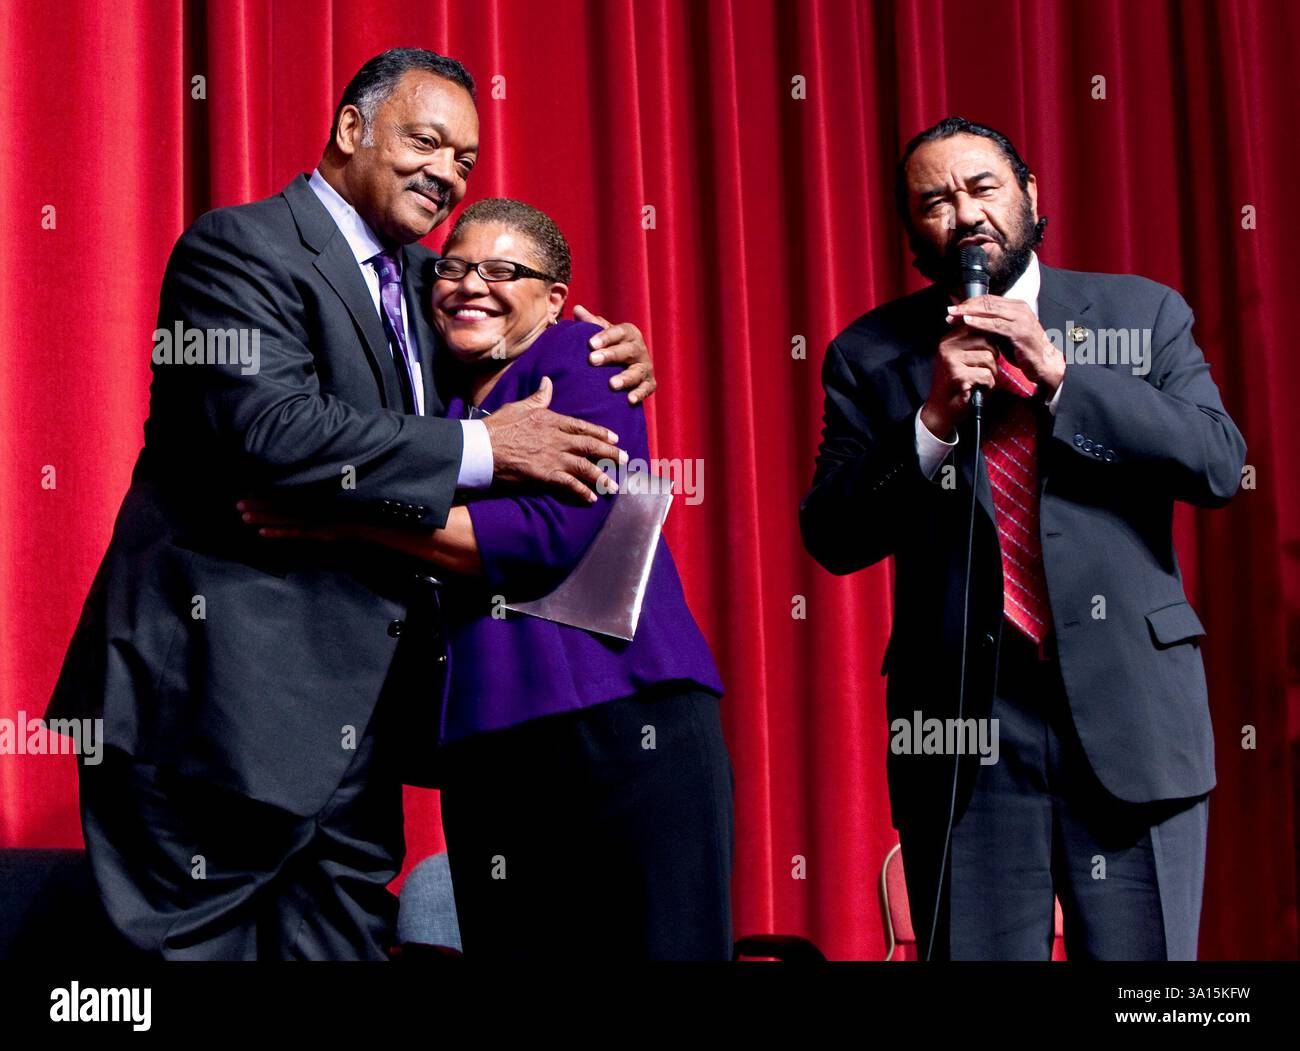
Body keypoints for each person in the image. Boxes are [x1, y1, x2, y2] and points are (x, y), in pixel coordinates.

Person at [45, 48, 658, 960]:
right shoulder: (239, 245)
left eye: (466, 161)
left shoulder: (425, 285)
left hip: (356, 733)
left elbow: (515, 343)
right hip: (214, 708)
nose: (449, 173)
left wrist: (604, 355)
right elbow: (271, 429)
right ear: (349, 129)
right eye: (427, 141)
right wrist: (484, 449)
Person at [799, 116, 1246, 960]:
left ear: (1030, 198)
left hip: (1131, 718)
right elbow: (833, 534)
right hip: (966, 735)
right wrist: (928, 422)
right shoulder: (869, 353)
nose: (964, 214)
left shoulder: (1140, 313)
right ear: (913, 235)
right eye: (935, 201)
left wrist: (1063, 376)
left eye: (982, 187)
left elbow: (1217, 463)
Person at [245, 198, 734, 960]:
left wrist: (341, 517)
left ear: (553, 300)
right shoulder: (426, 406)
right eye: (455, 267)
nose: (473, 283)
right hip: (486, 742)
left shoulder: (581, 358)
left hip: (627, 721)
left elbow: (549, 536)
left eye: (506, 270)